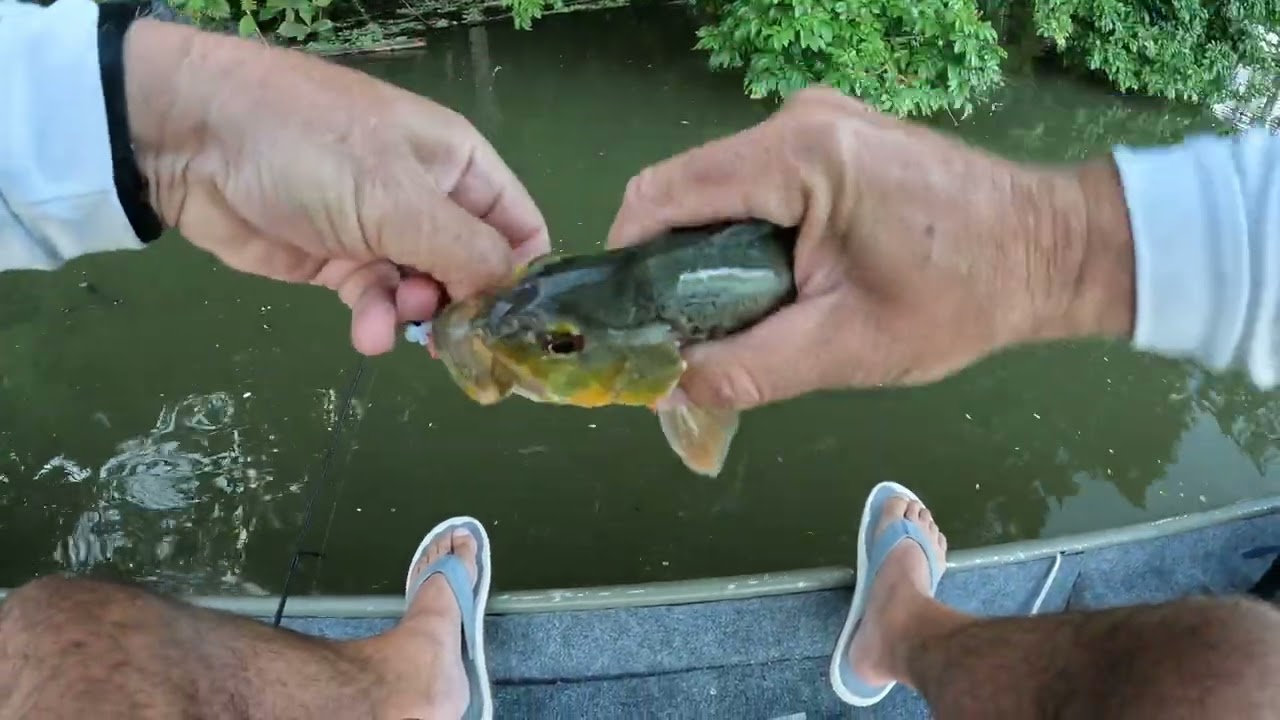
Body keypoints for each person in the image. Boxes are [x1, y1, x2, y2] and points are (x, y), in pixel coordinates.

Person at [2, 0, 1278, 717]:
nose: (513, 346)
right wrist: (179, 123)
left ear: (681, 365)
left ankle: (408, 680)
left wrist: (188, 122)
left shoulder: (690, 371)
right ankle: (902, 628)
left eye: (557, 342)